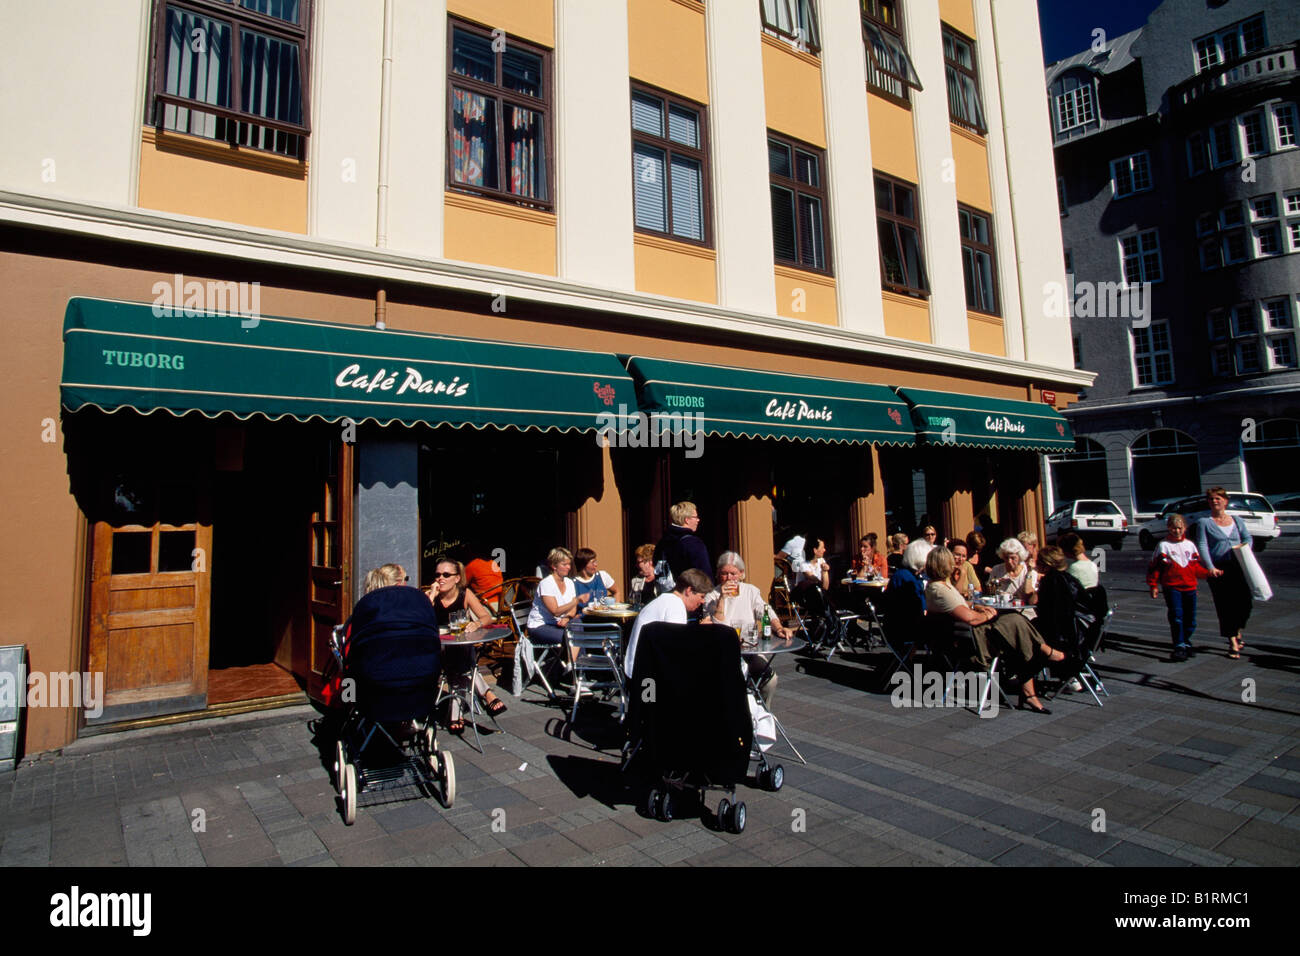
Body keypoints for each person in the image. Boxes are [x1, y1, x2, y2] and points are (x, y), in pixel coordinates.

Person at [924, 547, 1066, 714]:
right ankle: (1043, 654)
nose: (955, 562)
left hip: (968, 633)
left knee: (1015, 627)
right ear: (944, 564)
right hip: (970, 640)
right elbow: (970, 618)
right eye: (951, 560)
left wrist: (975, 605)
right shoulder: (940, 590)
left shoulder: (941, 586)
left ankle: (1031, 688)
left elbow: (959, 604)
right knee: (1014, 623)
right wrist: (988, 614)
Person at [426, 558, 506, 731]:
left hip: (459, 649)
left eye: (446, 574)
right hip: (437, 651)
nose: (441, 578)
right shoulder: (430, 597)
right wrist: (431, 596)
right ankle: (486, 692)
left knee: (460, 658)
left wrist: (475, 624)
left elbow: (486, 617)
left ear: (457, 578)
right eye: (438, 575)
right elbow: (420, 619)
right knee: (460, 660)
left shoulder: (465, 594)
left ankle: (456, 714)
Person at [704, 552, 790, 706]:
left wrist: (778, 627)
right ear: (718, 575)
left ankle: (763, 714)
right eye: (724, 573)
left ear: (742, 574)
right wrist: (722, 599)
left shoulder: (750, 591)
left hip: (750, 649)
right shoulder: (711, 596)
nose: (729, 578)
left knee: (770, 679)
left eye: (733, 573)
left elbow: (765, 610)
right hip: (723, 653)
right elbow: (718, 629)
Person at [1191, 487, 1252, 660]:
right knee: (1225, 605)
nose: (1215, 501)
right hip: (1218, 568)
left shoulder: (1237, 520)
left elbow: (1247, 538)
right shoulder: (1204, 522)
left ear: (1225, 501)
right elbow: (1202, 545)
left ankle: (1237, 628)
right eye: (1211, 499)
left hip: (1238, 566)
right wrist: (1209, 566)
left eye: (1218, 498)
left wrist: (1245, 551)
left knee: (1244, 603)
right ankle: (1232, 641)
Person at [624, 568, 713, 679]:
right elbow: (676, 650)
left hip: (637, 671)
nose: (703, 601)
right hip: (646, 680)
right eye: (702, 596)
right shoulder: (675, 605)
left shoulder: (666, 600)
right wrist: (700, 632)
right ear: (689, 591)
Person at [1147, 514, 1210, 662]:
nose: (1177, 531)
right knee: (1176, 617)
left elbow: (1196, 567)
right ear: (1169, 528)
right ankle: (1179, 645)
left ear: (1185, 528)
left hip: (1190, 587)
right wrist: (1153, 585)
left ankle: (1187, 642)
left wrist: (1209, 574)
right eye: (1173, 528)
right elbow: (1154, 568)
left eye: (1180, 528)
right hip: (1172, 587)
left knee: (1191, 619)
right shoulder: (1163, 546)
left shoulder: (1190, 545)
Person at [526, 547, 581, 662]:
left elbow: (573, 608)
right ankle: (574, 671)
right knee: (574, 637)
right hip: (540, 626)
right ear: (554, 566)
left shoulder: (569, 582)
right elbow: (555, 611)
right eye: (564, 564)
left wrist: (567, 617)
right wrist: (574, 601)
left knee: (578, 625)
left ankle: (575, 669)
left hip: (559, 623)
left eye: (569, 564)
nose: (569, 567)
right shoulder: (546, 584)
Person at [656, 501, 710, 582]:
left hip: (666, 591)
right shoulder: (693, 543)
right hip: (688, 592)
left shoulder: (662, 542)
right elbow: (704, 575)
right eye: (696, 517)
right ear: (687, 520)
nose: (698, 520)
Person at [987, 538, 1037, 608]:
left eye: (1013, 558)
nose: (1009, 561)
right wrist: (995, 584)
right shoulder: (997, 569)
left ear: (1020, 557)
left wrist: (1029, 573)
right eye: (1006, 558)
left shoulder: (1029, 572)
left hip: (1023, 610)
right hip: (1001, 610)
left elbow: (1028, 594)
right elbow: (990, 593)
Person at [628, 543, 662, 608]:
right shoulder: (635, 580)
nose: (636, 565)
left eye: (639, 562)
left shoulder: (662, 581)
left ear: (650, 562)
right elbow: (631, 602)